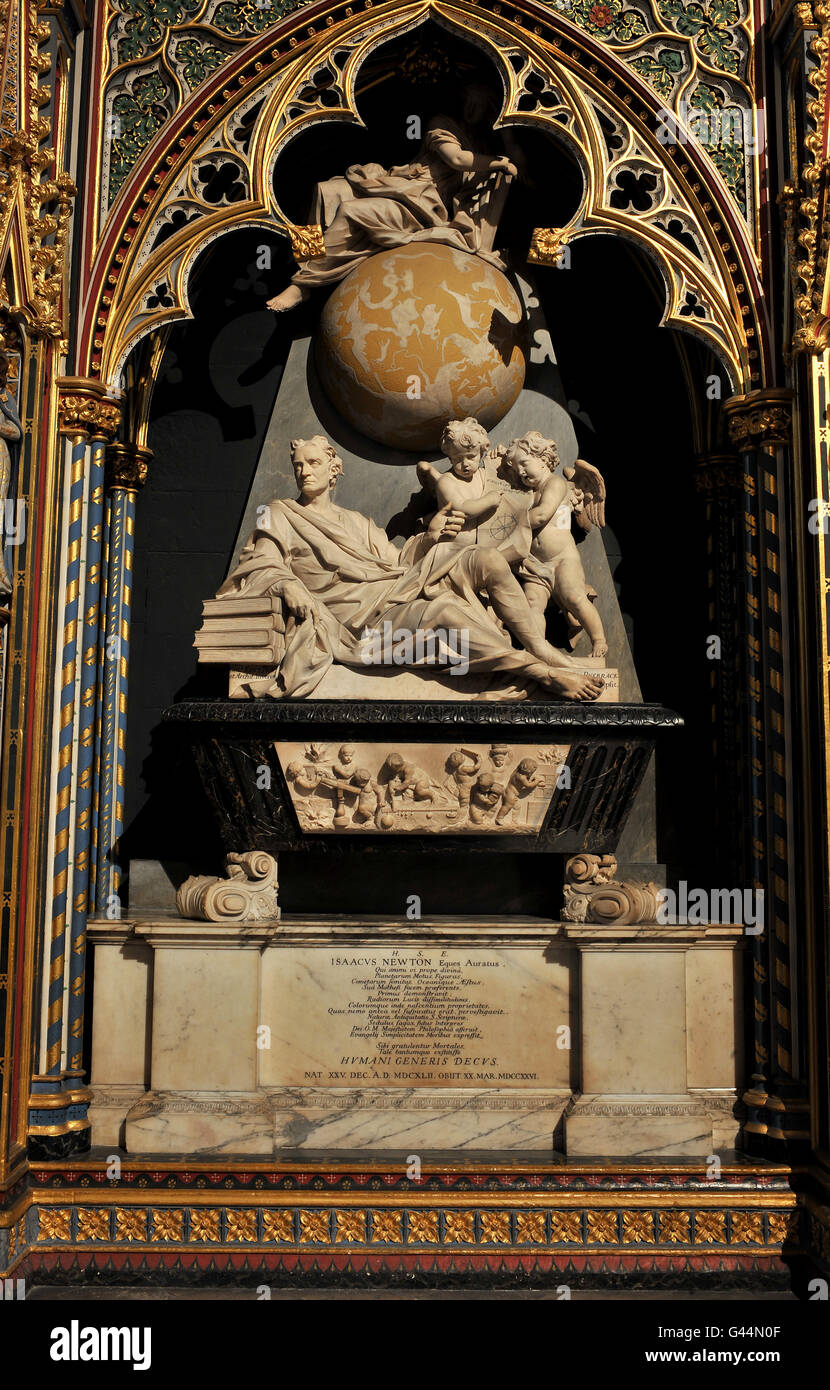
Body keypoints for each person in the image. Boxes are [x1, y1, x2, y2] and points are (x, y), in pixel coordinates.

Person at [215, 434, 604, 700]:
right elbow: (258, 564)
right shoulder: (278, 513)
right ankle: (539, 672)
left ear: (334, 471)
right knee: (444, 612)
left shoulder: (356, 521)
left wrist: (431, 536)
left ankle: (542, 649)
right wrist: (287, 584)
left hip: (390, 588)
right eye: (298, 465)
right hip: (356, 618)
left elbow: (396, 562)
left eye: (314, 463)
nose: (305, 471)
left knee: (484, 558)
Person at [267, 89, 517, 312]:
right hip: (398, 185)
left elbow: (520, 173)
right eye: (469, 101)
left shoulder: (483, 145)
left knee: (350, 211)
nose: (471, 109)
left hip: (419, 205)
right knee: (326, 191)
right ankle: (305, 259)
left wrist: (508, 139)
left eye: (480, 104)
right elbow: (457, 159)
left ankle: (303, 284)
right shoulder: (445, 124)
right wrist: (498, 161)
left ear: (491, 110)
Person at [501, 431, 608, 658]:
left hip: (562, 559)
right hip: (536, 564)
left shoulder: (556, 484)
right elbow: (505, 486)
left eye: (524, 464)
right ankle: (537, 650)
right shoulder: (529, 492)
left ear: (542, 459)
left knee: (574, 598)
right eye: (517, 468)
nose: (521, 472)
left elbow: (541, 515)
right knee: (532, 605)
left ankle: (599, 639)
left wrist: (513, 526)